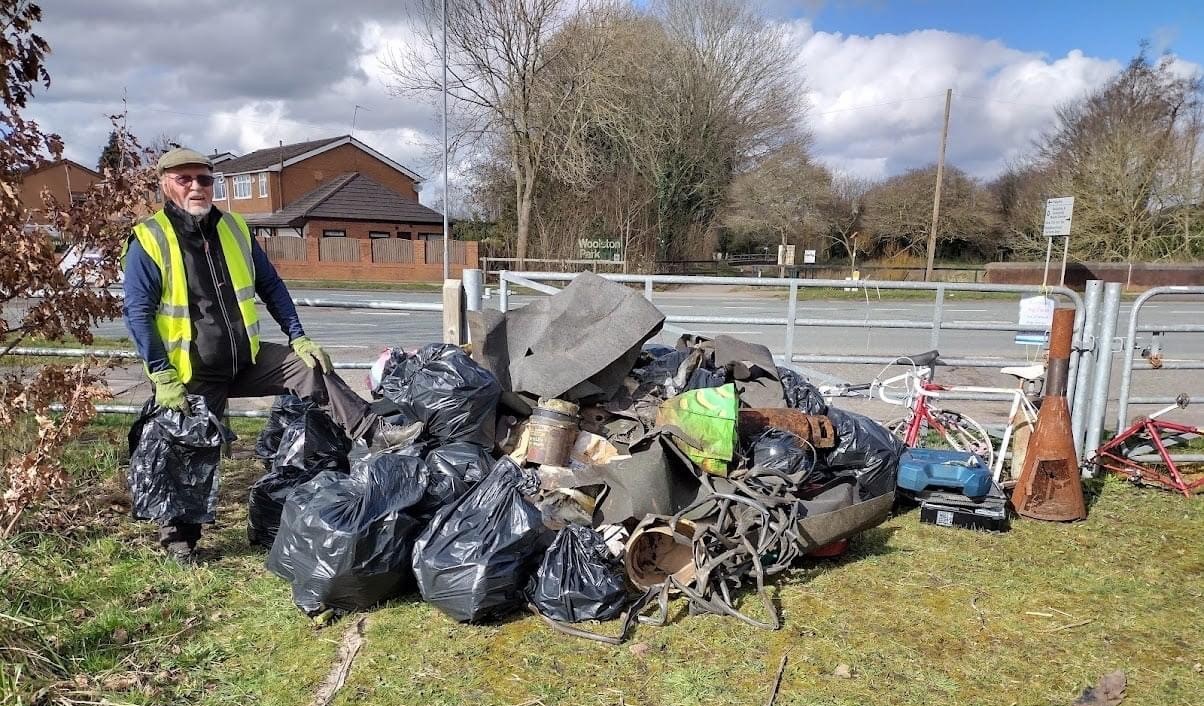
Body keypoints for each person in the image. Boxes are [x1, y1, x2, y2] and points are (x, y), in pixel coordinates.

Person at [123, 147, 414, 562]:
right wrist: (161, 374)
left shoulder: (235, 229)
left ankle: (373, 432)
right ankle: (181, 543)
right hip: (193, 371)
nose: (196, 187)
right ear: (166, 184)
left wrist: (298, 337)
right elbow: (137, 312)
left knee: (307, 368)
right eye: (185, 179)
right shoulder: (149, 239)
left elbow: (272, 286)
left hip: (246, 358)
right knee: (190, 451)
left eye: (204, 179)